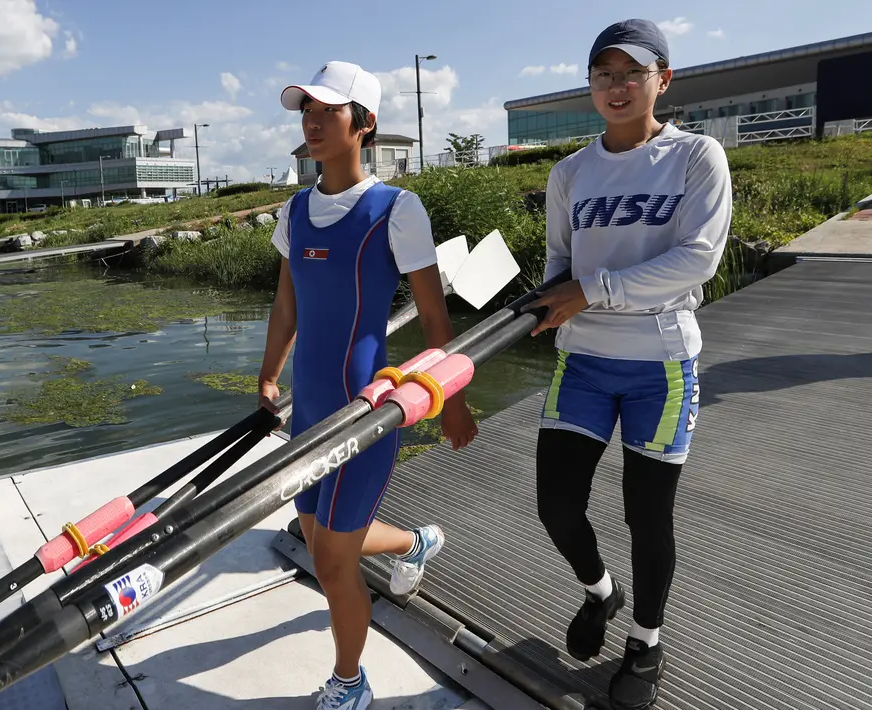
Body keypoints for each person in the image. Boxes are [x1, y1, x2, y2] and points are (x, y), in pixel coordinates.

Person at [257, 61, 478, 710]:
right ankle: (417, 542)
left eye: (328, 111)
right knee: (315, 535)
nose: (313, 122)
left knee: (331, 563)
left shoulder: (396, 210)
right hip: (307, 418)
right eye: (306, 111)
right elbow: (286, 308)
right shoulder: (293, 214)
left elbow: (435, 320)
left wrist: (453, 402)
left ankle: (349, 684)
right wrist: (268, 374)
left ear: (365, 123)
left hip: (363, 416)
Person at [525, 18, 732, 710]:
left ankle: (645, 641)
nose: (615, 87)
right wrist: (544, 297)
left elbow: (697, 259)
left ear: (661, 80)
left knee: (647, 516)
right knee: (555, 504)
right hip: (582, 360)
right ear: (590, 86)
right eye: (602, 74)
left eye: (631, 73)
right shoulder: (569, 172)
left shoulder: (696, 157)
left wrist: (591, 291)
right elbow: (560, 261)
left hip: (660, 365)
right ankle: (600, 594)